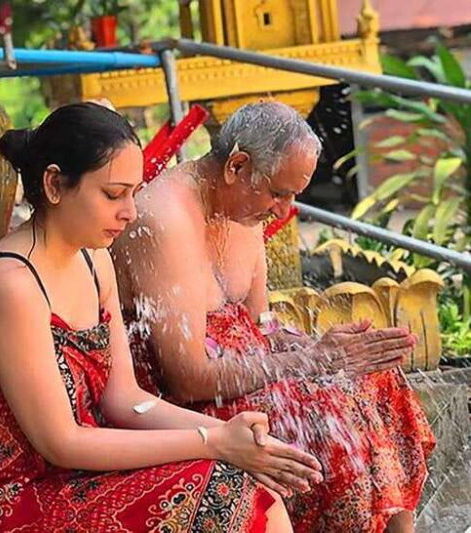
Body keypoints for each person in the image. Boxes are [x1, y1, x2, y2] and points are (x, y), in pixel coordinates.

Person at [0, 102, 326, 532]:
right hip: (6, 499)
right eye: (114, 194)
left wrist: (230, 433)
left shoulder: (95, 261)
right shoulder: (11, 286)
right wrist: (214, 442)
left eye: (134, 193)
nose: (131, 212)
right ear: (55, 184)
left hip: (69, 477)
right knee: (227, 492)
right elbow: (63, 442)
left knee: (252, 489)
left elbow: (123, 399)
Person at [112, 101, 434, 533]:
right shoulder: (164, 217)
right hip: (186, 403)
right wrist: (310, 362)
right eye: (278, 194)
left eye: (293, 196)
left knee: (376, 380)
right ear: (237, 166)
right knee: (333, 413)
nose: (283, 212)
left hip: (246, 373)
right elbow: (185, 379)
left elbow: (260, 326)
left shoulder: (244, 205)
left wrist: (321, 348)